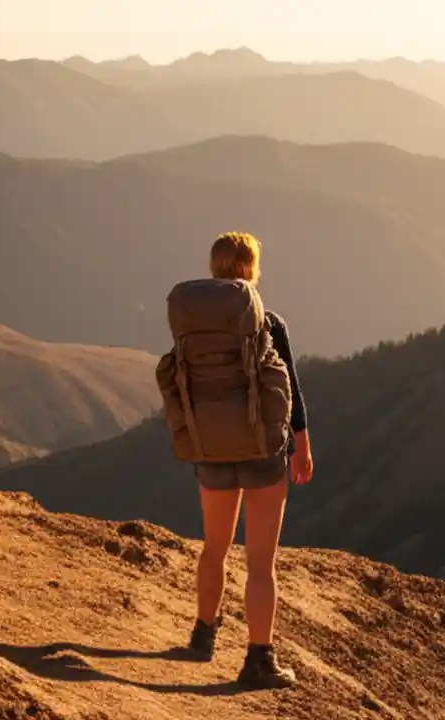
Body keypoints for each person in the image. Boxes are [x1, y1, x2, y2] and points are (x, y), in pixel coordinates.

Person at [184, 231, 314, 689]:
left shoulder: (194, 328)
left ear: (215, 268)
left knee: (214, 548)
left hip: (211, 449)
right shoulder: (269, 323)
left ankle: (203, 635)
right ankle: (259, 659)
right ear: (253, 270)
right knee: (260, 564)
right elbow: (290, 389)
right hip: (263, 453)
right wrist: (302, 445)